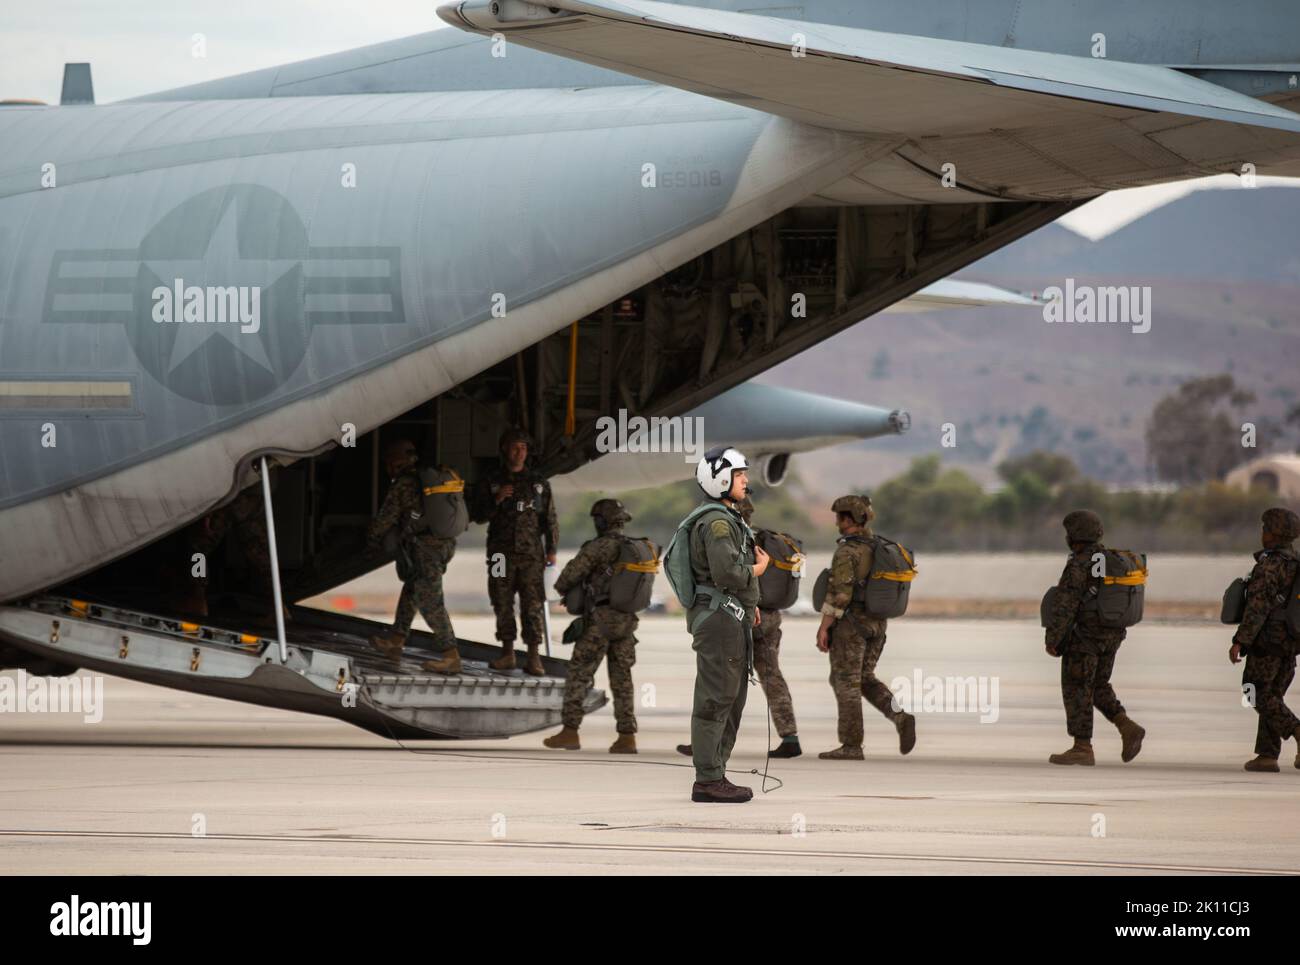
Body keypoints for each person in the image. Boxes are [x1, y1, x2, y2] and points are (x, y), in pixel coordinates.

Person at [676, 496, 802, 759]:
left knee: (720, 679)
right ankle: (789, 735)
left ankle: (707, 743)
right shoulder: (762, 540)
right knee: (771, 675)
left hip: (741, 614)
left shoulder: (732, 536)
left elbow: (727, 575)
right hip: (769, 617)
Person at [684, 447, 768, 803]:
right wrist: (759, 571)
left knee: (730, 698)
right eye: (738, 475)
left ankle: (715, 772)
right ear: (719, 479)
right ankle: (707, 779)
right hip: (719, 620)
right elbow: (727, 572)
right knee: (716, 698)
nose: (745, 480)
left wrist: (750, 603)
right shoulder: (718, 522)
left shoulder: (727, 517)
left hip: (729, 616)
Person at [816, 495, 916, 760]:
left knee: (845, 681)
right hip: (877, 626)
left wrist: (824, 627)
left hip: (852, 626)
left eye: (839, 517)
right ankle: (900, 716)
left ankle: (851, 744)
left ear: (848, 519)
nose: (837, 521)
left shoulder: (848, 552)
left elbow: (839, 594)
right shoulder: (878, 548)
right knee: (866, 679)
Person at [1043, 510, 1145, 766]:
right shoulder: (1112, 559)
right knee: (1098, 685)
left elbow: (1066, 603)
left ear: (1074, 535)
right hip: (1112, 635)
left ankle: (1082, 746)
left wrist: (1053, 639)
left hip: (1084, 638)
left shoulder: (1080, 562)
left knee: (1077, 687)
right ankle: (1126, 725)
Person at [543, 499, 640, 753]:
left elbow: (566, 579)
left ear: (600, 521)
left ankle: (569, 732)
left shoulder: (598, 547)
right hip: (627, 623)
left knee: (579, 674)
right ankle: (627, 737)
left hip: (599, 622)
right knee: (622, 680)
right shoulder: (635, 548)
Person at [366, 439, 461, 673]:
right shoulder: (428, 478)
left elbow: (386, 519)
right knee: (412, 589)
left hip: (426, 549)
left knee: (430, 600)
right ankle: (395, 642)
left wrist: (370, 540)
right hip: (444, 544)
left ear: (395, 462)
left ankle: (451, 656)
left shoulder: (403, 484)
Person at [469, 428, 558, 676]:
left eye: (523, 448)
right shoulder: (491, 480)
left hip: (531, 556)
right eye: (515, 447)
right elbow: (477, 516)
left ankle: (533, 658)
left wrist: (551, 551)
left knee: (532, 605)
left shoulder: (538, 483)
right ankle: (507, 654)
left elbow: (549, 519)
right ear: (504, 449)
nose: (520, 452)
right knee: (501, 600)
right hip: (499, 554)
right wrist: (496, 499)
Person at [1230, 507, 1300, 773]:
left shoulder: (1270, 564)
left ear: (1273, 533)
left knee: (1253, 692)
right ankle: (1267, 755)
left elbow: (1257, 607)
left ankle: (1297, 731)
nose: (1262, 533)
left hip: (1268, 641)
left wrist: (1241, 641)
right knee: (1273, 696)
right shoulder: (1294, 562)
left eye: (1265, 528)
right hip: (1290, 642)